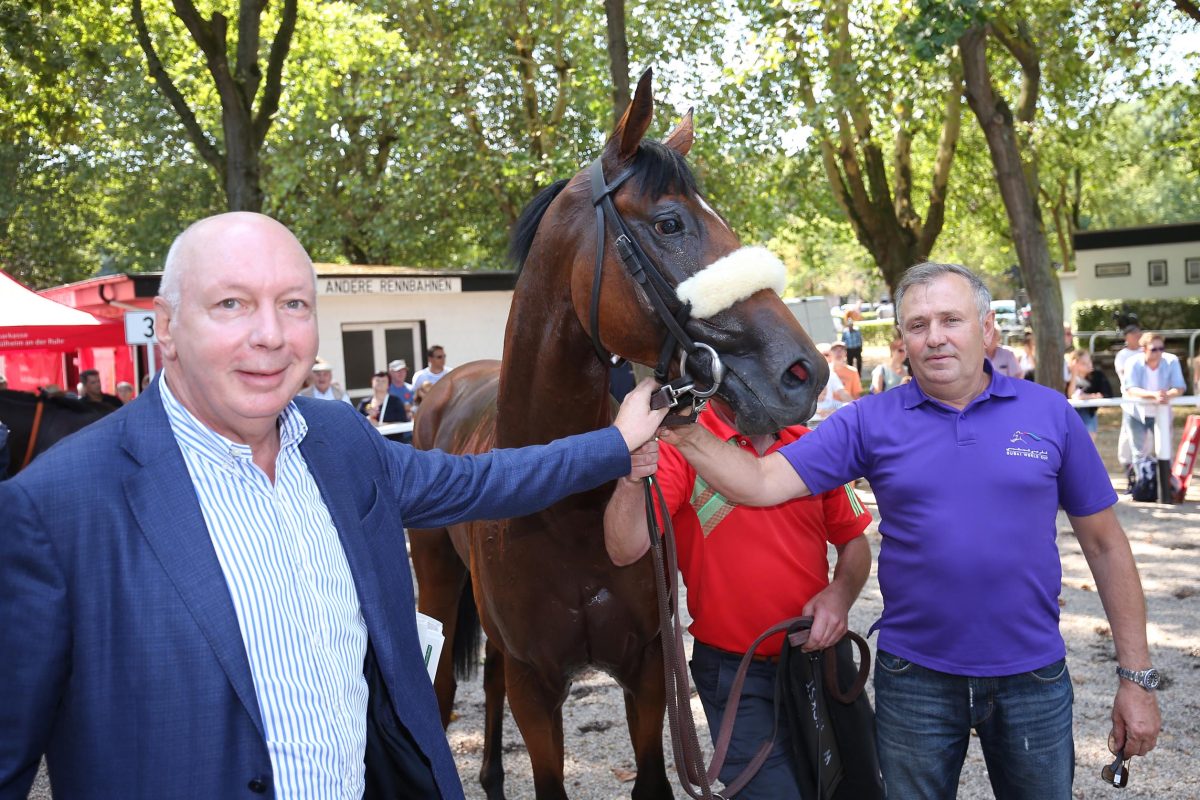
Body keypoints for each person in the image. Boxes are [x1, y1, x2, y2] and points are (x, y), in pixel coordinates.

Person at [0, 212, 668, 799]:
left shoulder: (339, 443)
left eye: (293, 304)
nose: (271, 334)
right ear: (168, 329)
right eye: (231, 304)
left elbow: (480, 482)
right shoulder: (55, 510)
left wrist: (615, 445)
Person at [657, 262, 1161, 799]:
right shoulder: (869, 421)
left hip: (1031, 677)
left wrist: (1137, 678)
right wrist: (677, 428)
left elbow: (1107, 548)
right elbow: (758, 482)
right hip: (915, 680)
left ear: (987, 328)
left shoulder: (1050, 415)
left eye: (951, 319)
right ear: (901, 341)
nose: (935, 337)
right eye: (918, 325)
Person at [604, 402, 871, 798]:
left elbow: (854, 541)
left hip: (818, 660)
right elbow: (624, 549)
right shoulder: (683, 447)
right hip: (736, 674)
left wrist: (841, 593)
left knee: (850, 787)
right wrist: (630, 481)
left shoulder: (808, 445)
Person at [1121, 332, 1186, 463]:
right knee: (1138, 452)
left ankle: (1165, 482)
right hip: (1135, 412)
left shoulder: (1171, 360)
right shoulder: (1132, 362)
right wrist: (1155, 395)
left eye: (1161, 348)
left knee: (1165, 450)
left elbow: (1179, 386)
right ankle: (1142, 482)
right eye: (1154, 349)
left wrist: (1167, 395)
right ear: (1144, 349)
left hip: (1161, 411)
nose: (1158, 352)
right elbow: (1131, 389)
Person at [1113, 324, 1144, 473]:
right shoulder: (1122, 355)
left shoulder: (1145, 352)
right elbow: (1125, 376)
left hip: (1147, 400)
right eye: (1134, 335)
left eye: (1139, 334)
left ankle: (1145, 469)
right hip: (1130, 400)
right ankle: (1128, 467)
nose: (1138, 337)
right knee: (1128, 435)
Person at [1066, 348, 1113, 438]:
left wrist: (1087, 396)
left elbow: (1105, 394)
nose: (1089, 365)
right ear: (1074, 363)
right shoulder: (1067, 377)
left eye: (1089, 361)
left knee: (1089, 441)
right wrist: (1074, 373)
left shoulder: (1097, 376)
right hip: (1071, 415)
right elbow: (1070, 395)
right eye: (1084, 363)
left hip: (1089, 413)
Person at [358, 370, 410, 442]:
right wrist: (367, 420)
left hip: (392, 443)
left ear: (388, 385)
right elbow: (357, 424)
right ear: (372, 382)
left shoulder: (395, 401)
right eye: (377, 380)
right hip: (371, 443)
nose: (380, 383)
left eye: (383, 381)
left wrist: (379, 424)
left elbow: (403, 423)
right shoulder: (365, 403)